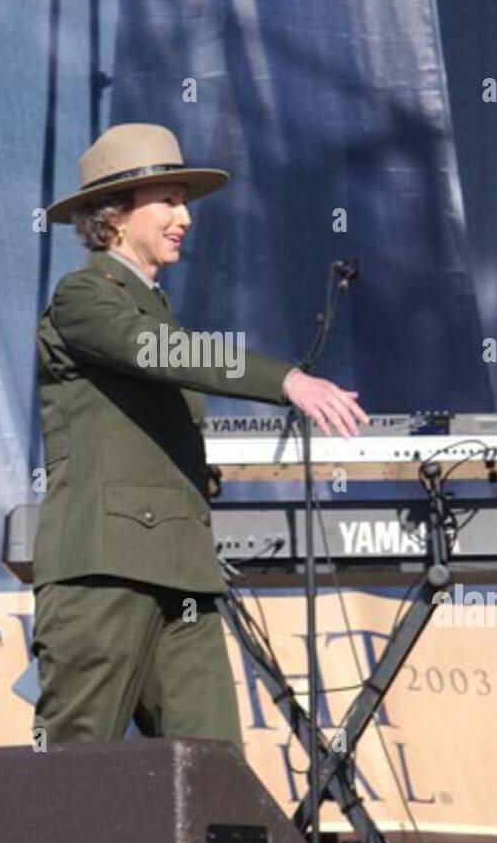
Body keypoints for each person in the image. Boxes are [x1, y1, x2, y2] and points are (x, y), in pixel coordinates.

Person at [31, 123, 366, 751]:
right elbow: (162, 352)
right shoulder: (83, 295)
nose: (183, 216)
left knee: (211, 771)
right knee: (72, 771)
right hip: (106, 569)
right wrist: (286, 380)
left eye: (184, 201)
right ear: (114, 217)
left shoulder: (153, 308)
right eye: (167, 200)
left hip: (183, 572)